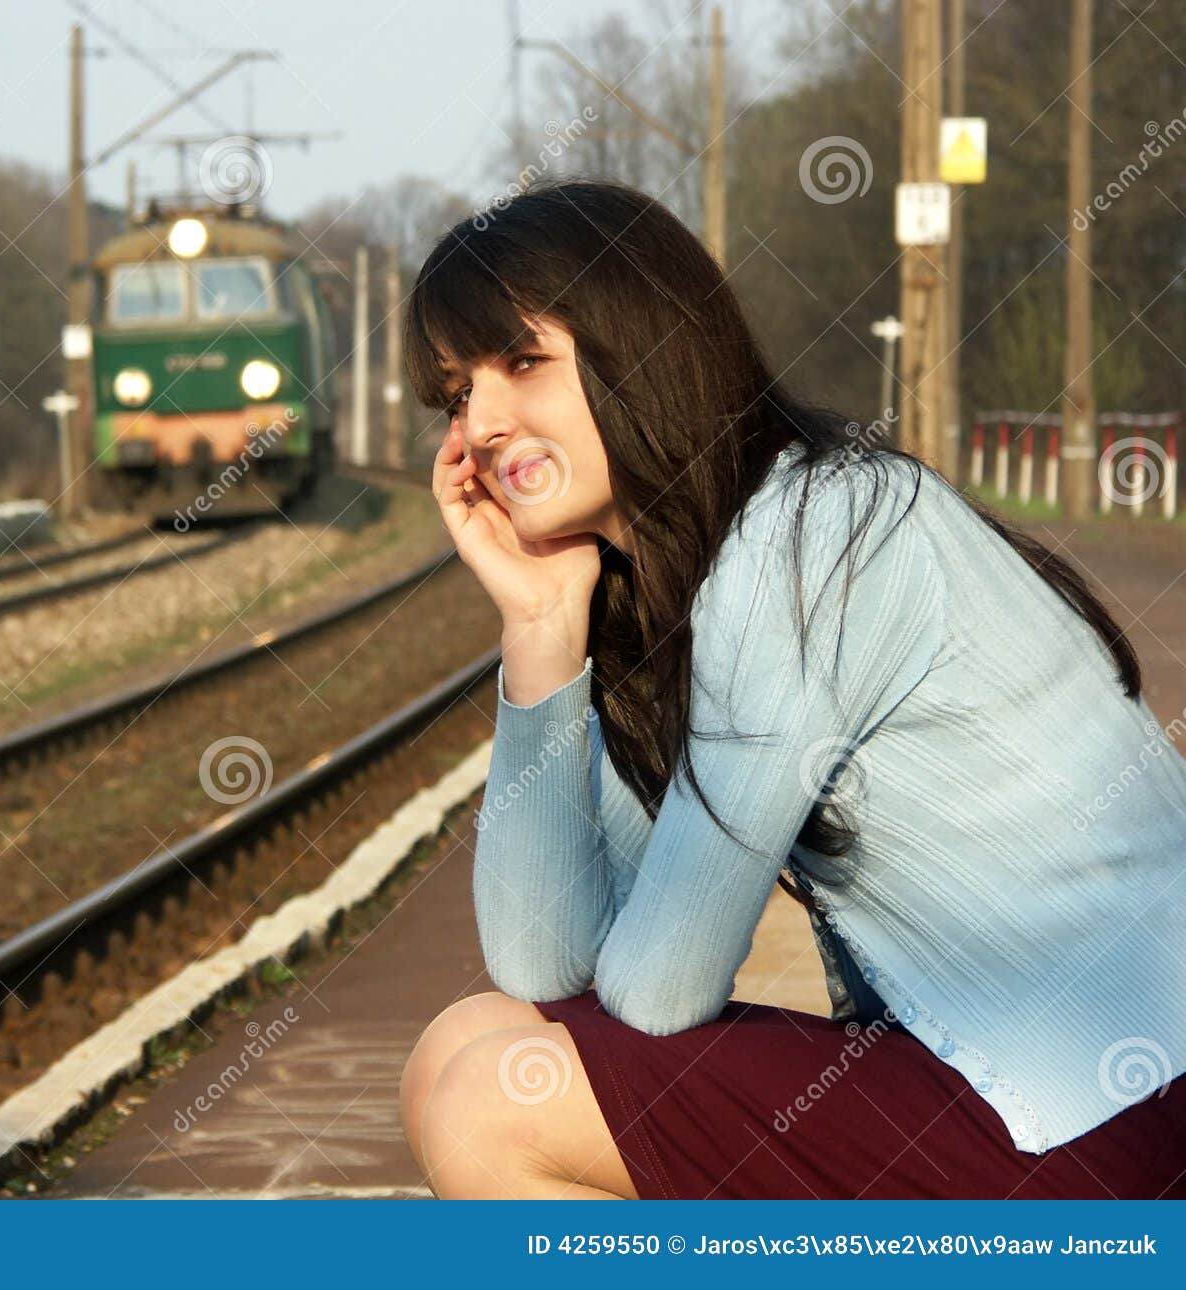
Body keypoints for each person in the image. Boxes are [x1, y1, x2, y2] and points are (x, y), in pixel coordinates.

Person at [395, 178, 1186, 1201]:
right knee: (463, 1045)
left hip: (1114, 1110)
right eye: (459, 393)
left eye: (521, 363)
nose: (483, 422)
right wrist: (541, 629)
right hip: (998, 1084)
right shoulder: (681, 591)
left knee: (490, 1102)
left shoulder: (818, 538)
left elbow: (660, 988)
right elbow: (540, 961)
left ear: (644, 344)